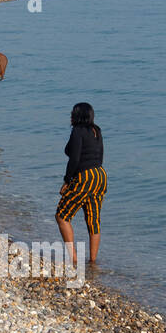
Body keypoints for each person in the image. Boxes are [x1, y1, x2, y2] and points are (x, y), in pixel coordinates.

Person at [56, 101, 106, 268]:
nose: (70, 115)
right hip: (100, 175)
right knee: (93, 220)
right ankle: (93, 262)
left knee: (62, 216)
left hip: (85, 175)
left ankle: (74, 259)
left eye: (72, 113)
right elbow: (99, 155)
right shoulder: (96, 130)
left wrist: (67, 180)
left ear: (78, 115)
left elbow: (74, 158)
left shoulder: (78, 131)